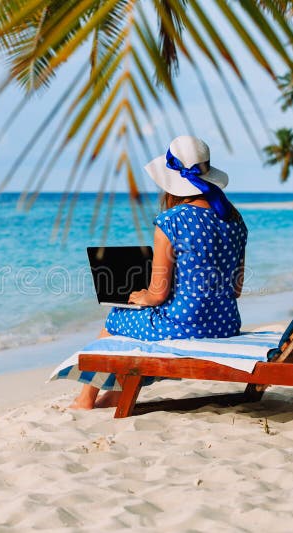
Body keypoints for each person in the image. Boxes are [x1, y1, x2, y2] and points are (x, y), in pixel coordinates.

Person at [71, 135, 248, 410]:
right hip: (226, 324)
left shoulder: (171, 220)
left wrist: (142, 296)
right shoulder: (235, 220)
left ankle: (84, 400)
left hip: (187, 324)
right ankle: (117, 395)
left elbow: (157, 294)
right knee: (138, 318)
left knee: (115, 319)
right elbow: (235, 289)